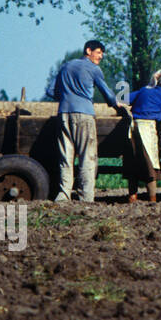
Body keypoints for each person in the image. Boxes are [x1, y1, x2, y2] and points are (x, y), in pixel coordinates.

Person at [53, 40, 127, 202]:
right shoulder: (93, 69)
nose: (101, 56)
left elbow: (54, 91)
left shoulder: (66, 66)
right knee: (87, 156)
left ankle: (63, 195)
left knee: (66, 156)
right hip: (84, 114)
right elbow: (107, 94)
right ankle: (86, 196)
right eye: (99, 52)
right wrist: (116, 103)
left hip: (64, 113)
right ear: (88, 50)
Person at [126, 70, 161, 203]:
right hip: (146, 128)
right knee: (150, 163)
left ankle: (132, 197)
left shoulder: (144, 91)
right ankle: (152, 199)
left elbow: (122, 98)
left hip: (132, 127)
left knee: (134, 161)